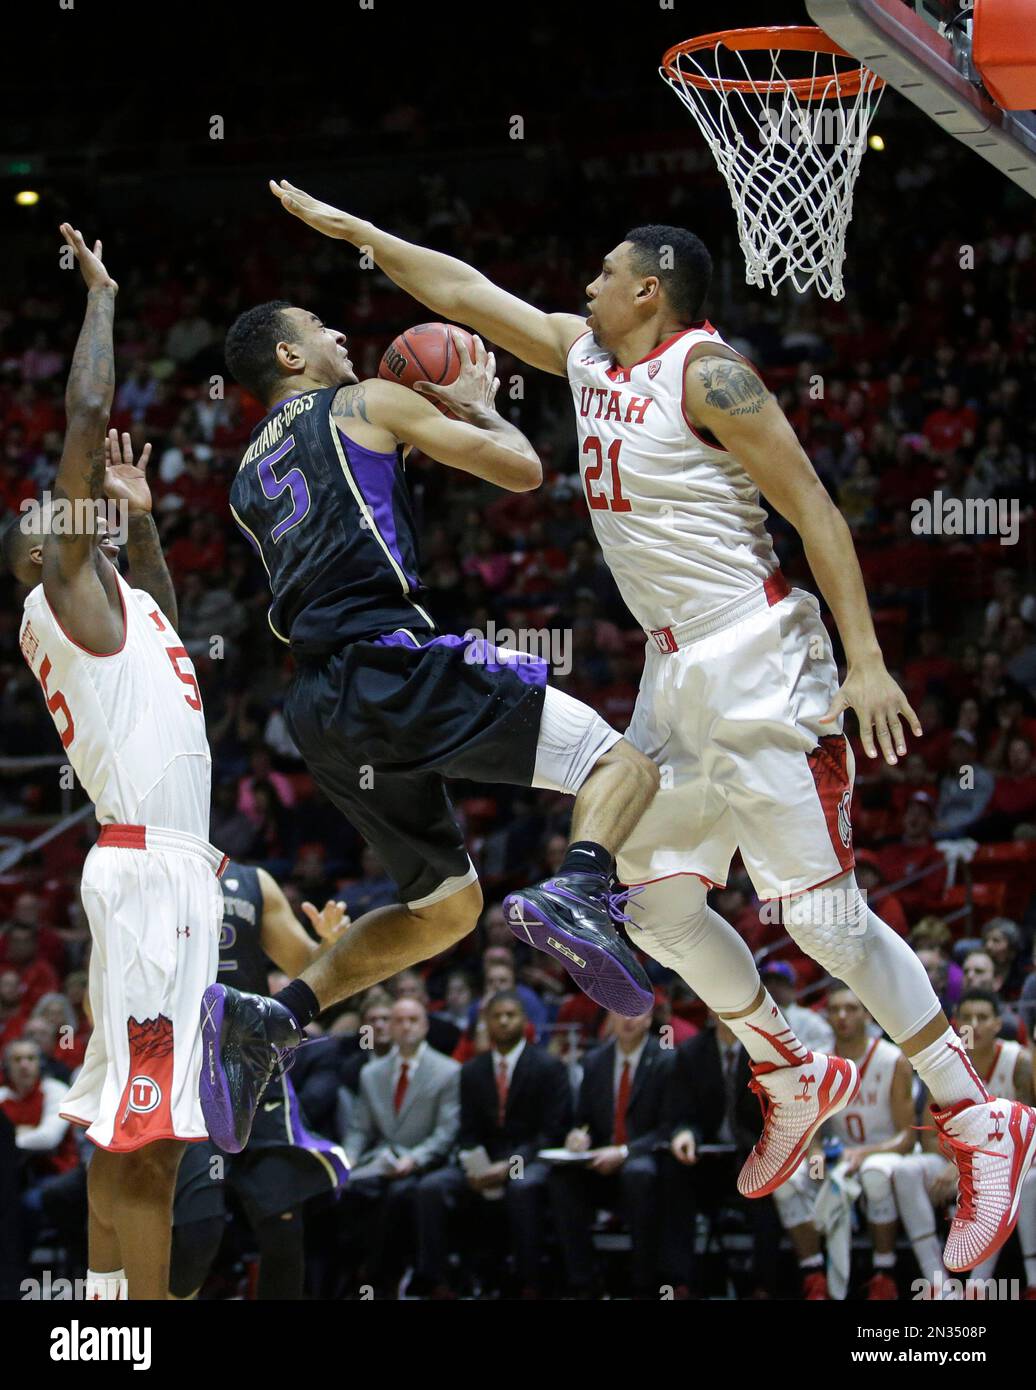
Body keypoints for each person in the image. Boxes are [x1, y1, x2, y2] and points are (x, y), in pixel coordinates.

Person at [269, 180, 1036, 1270]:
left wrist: (865, 660)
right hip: (674, 669)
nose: (582, 283)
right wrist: (361, 235)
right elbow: (472, 295)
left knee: (818, 922)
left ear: (647, 288)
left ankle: (975, 1116)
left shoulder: (712, 375)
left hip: (760, 659)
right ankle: (786, 1067)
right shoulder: (587, 353)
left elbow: (813, 506)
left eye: (601, 271)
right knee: (654, 899)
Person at [203, 288, 665, 1154]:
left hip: (319, 706)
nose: (341, 330)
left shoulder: (240, 482)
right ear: (292, 358)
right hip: (394, 663)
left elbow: (347, 509)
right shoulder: (366, 399)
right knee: (624, 767)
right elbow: (522, 470)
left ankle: (274, 1017)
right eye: (321, 325)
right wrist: (481, 408)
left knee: (444, 913)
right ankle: (580, 888)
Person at [1, 227, 225, 1301]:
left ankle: (102, 1323)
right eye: (59, 515)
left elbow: (170, 635)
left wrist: (144, 534)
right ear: (38, 564)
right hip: (149, 876)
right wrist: (101, 296)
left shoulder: (118, 609)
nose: (70, 502)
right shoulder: (58, 600)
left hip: (170, 873)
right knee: (149, 1138)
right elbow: (85, 418)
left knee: (135, 1126)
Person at [414, 991, 570, 1297]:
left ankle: (530, 1282)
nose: (503, 1020)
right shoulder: (472, 1070)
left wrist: (509, 1165)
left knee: (521, 1186)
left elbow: (552, 1132)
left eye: (510, 1014)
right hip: (485, 1161)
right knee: (430, 1188)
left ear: (524, 1020)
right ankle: (440, 1281)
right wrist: (473, 1164)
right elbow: (468, 1131)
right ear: (485, 1021)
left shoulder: (549, 1067)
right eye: (496, 1015)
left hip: (530, 1159)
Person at [339, 996, 460, 1294]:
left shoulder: (448, 1071)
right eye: (399, 1021)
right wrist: (348, 1159)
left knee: (402, 1192)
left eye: (413, 1020)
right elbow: (359, 1129)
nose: (405, 1027)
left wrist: (414, 1159)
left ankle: (383, 1275)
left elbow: (446, 1133)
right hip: (383, 1162)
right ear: (390, 1027)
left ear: (426, 1025)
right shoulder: (371, 1073)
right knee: (344, 1189)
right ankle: (348, 1274)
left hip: (426, 1163)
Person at [547, 1008, 672, 1298]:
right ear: (610, 1019)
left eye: (636, 1013)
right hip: (600, 1164)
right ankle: (584, 1282)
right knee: (560, 1179)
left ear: (649, 1019)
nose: (627, 1020)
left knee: (638, 1173)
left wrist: (626, 1152)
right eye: (620, 1013)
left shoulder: (665, 1060)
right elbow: (583, 1119)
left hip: (644, 1165)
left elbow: (668, 1128)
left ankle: (644, 1283)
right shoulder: (594, 1061)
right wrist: (580, 1136)